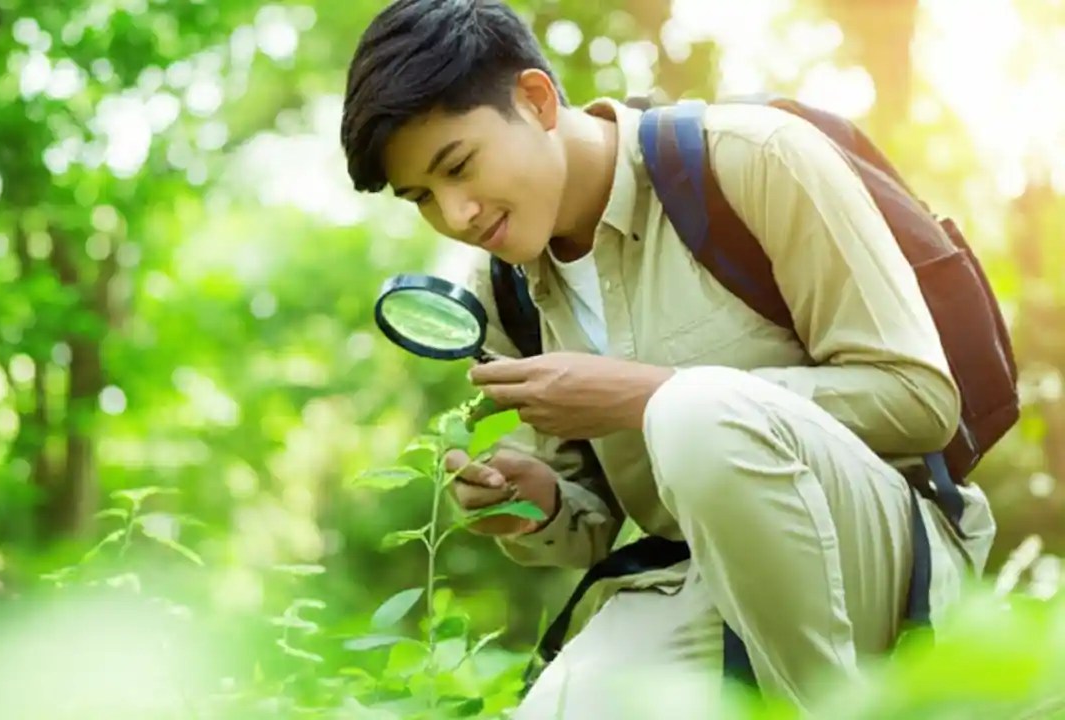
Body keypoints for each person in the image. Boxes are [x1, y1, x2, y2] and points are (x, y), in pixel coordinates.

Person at [340, 0, 998, 715]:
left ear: (534, 100)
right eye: (422, 198)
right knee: (566, 707)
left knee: (694, 410)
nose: (456, 215)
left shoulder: (753, 158)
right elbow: (590, 528)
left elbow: (921, 400)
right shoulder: (502, 291)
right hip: (702, 578)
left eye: (459, 166)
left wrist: (650, 395)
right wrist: (535, 503)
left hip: (884, 546)